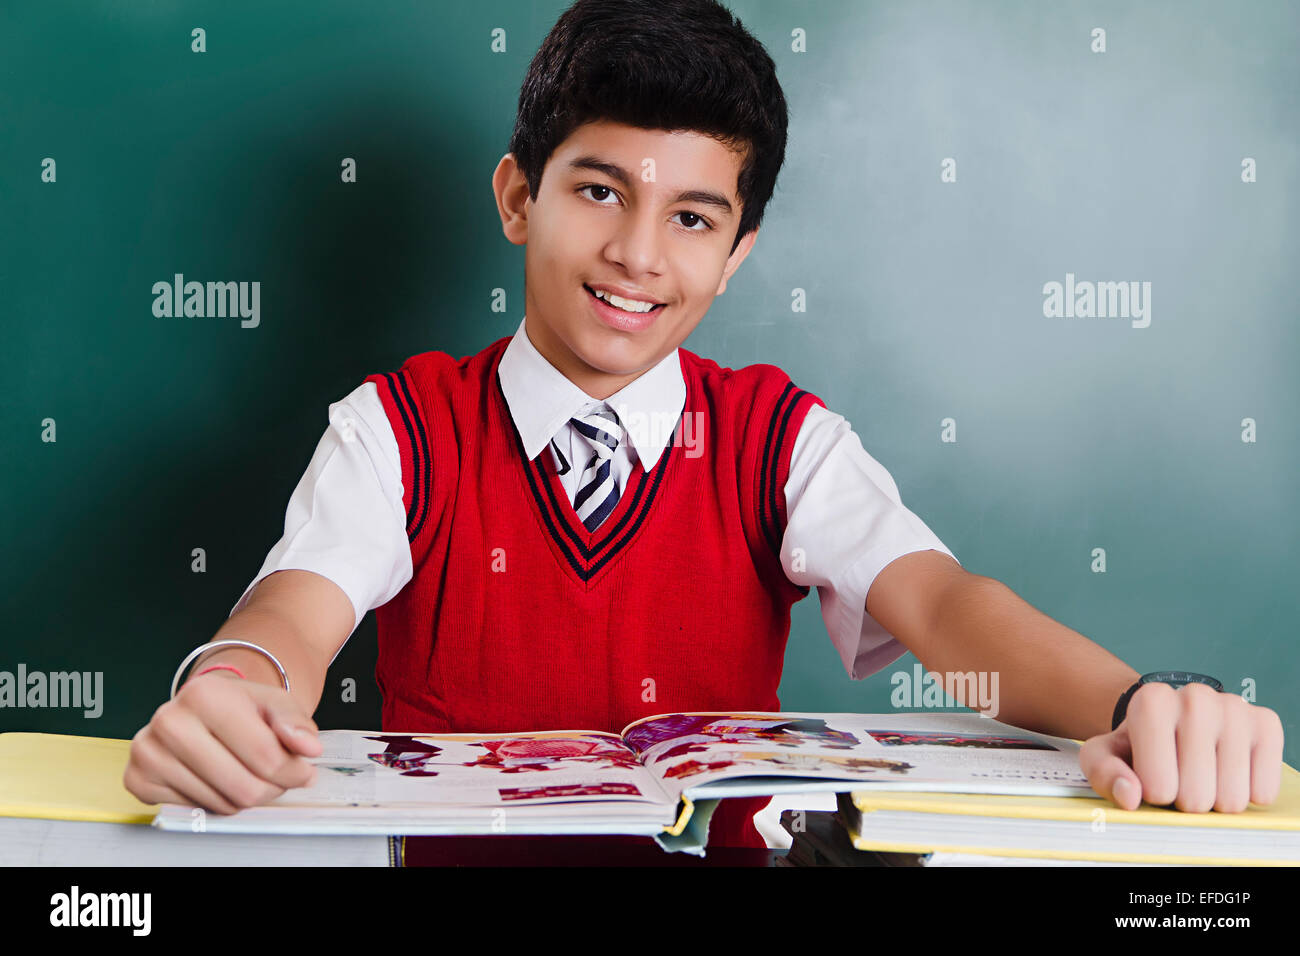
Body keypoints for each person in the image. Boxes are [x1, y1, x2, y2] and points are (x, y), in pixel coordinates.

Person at [123, 0, 1284, 850]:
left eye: (690, 216)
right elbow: (293, 610)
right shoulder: (399, 426)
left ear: (735, 257)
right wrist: (237, 679)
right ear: (518, 196)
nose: (637, 253)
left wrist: (1137, 706)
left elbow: (942, 605)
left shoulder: (780, 438)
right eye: (597, 190)